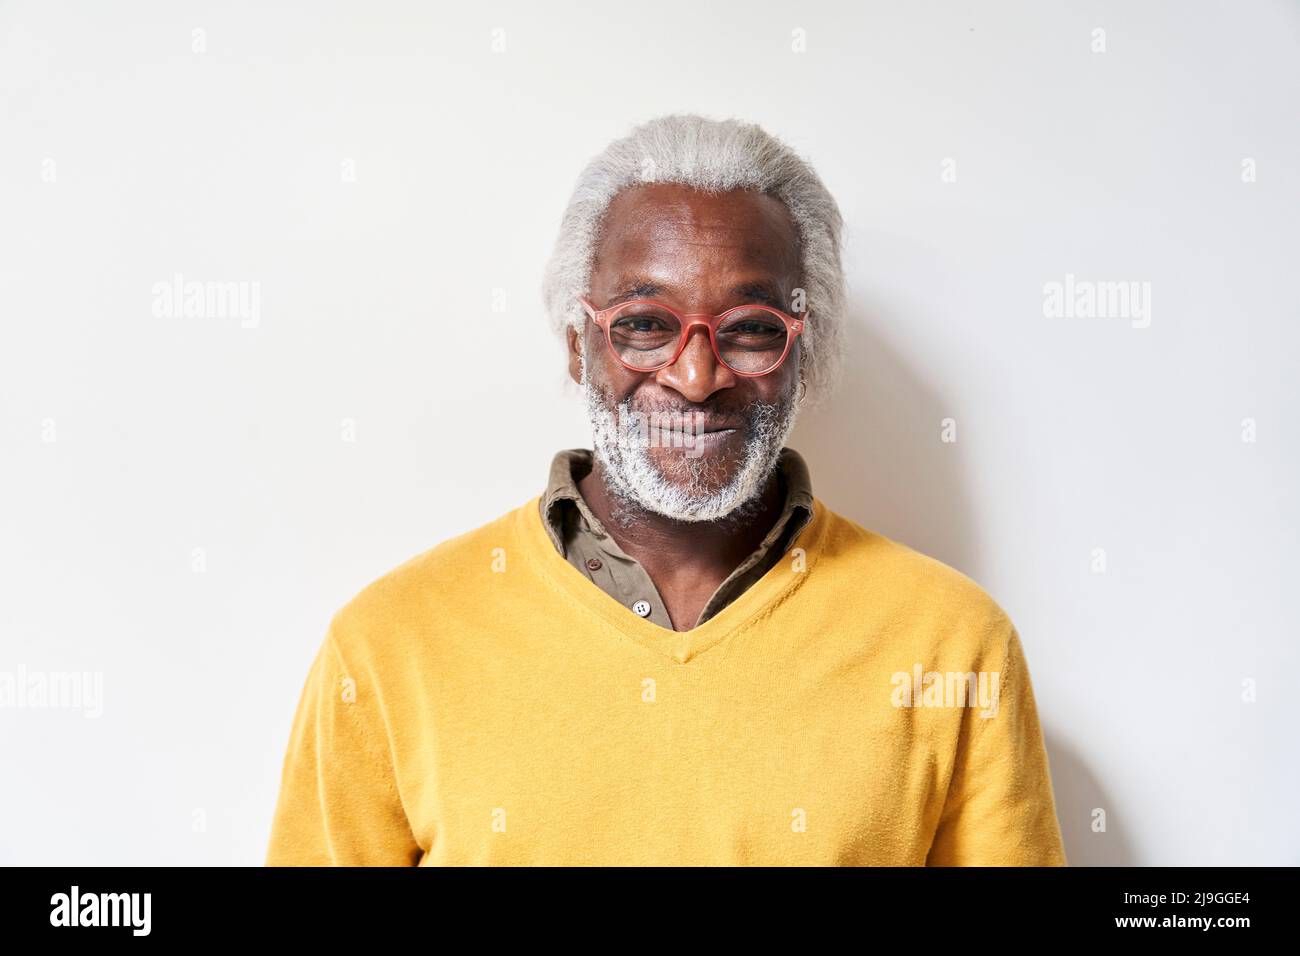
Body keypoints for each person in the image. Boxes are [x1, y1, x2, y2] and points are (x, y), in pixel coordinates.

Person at [265, 113, 1067, 866]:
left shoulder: (953, 646)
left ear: (803, 351)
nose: (695, 377)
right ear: (578, 344)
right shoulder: (388, 645)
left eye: (751, 328)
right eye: (644, 324)